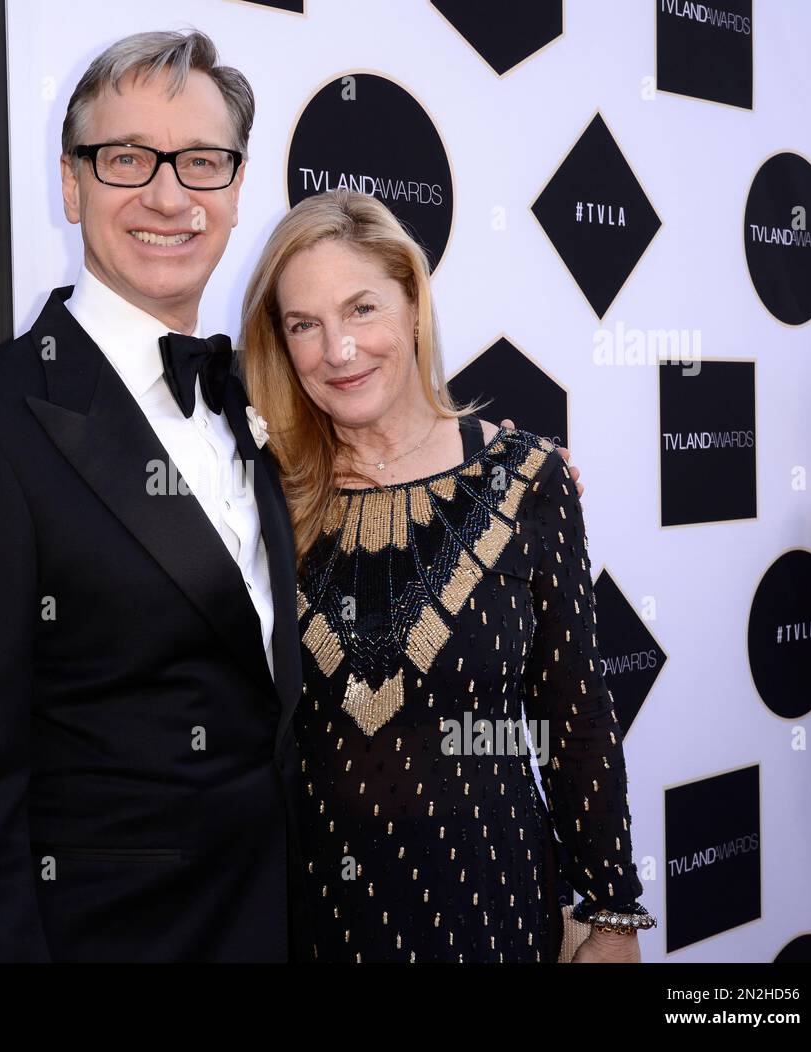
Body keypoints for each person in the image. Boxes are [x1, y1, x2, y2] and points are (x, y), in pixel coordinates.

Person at [0, 29, 578, 963]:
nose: (168, 195)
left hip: (309, 925)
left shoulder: (267, 408)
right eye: (127, 158)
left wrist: (510, 472)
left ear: (237, 188)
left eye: (201, 162)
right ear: (71, 182)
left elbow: (396, 481)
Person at [239, 188, 653, 962]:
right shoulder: (256, 492)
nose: (339, 349)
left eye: (362, 309)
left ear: (414, 304)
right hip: (317, 925)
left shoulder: (526, 478)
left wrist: (610, 915)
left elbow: (576, 717)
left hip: (494, 911)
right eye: (304, 325)